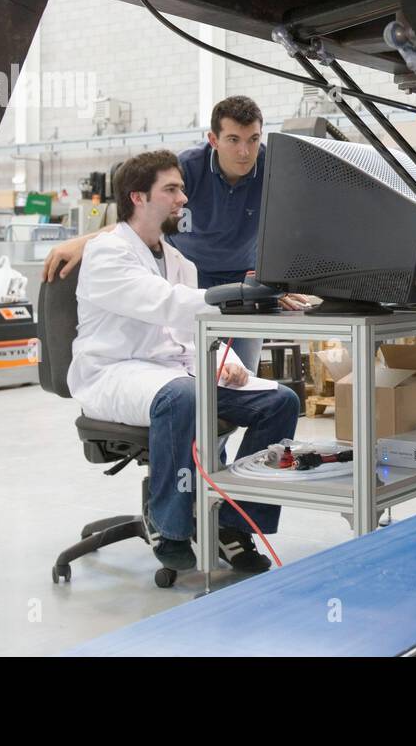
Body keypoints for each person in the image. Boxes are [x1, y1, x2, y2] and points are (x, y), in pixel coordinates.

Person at [67, 150, 299, 572]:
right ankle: (168, 523)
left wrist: (227, 364)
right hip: (114, 372)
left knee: (279, 400)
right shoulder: (107, 253)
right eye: (171, 190)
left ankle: (236, 520)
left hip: (171, 374)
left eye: (181, 188)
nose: (183, 200)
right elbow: (164, 304)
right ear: (139, 197)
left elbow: (193, 339)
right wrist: (236, 294)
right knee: (184, 394)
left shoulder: (180, 262)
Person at [45, 96, 308, 371]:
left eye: (253, 139)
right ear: (213, 140)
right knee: (186, 364)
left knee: (241, 374)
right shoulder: (187, 170)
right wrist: (86, 241)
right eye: (233, 140)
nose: (244, 151)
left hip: (245, 279)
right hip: (189, 276)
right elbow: (144, 217)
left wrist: (275, 284)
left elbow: (288, 230)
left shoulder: (274, 169)